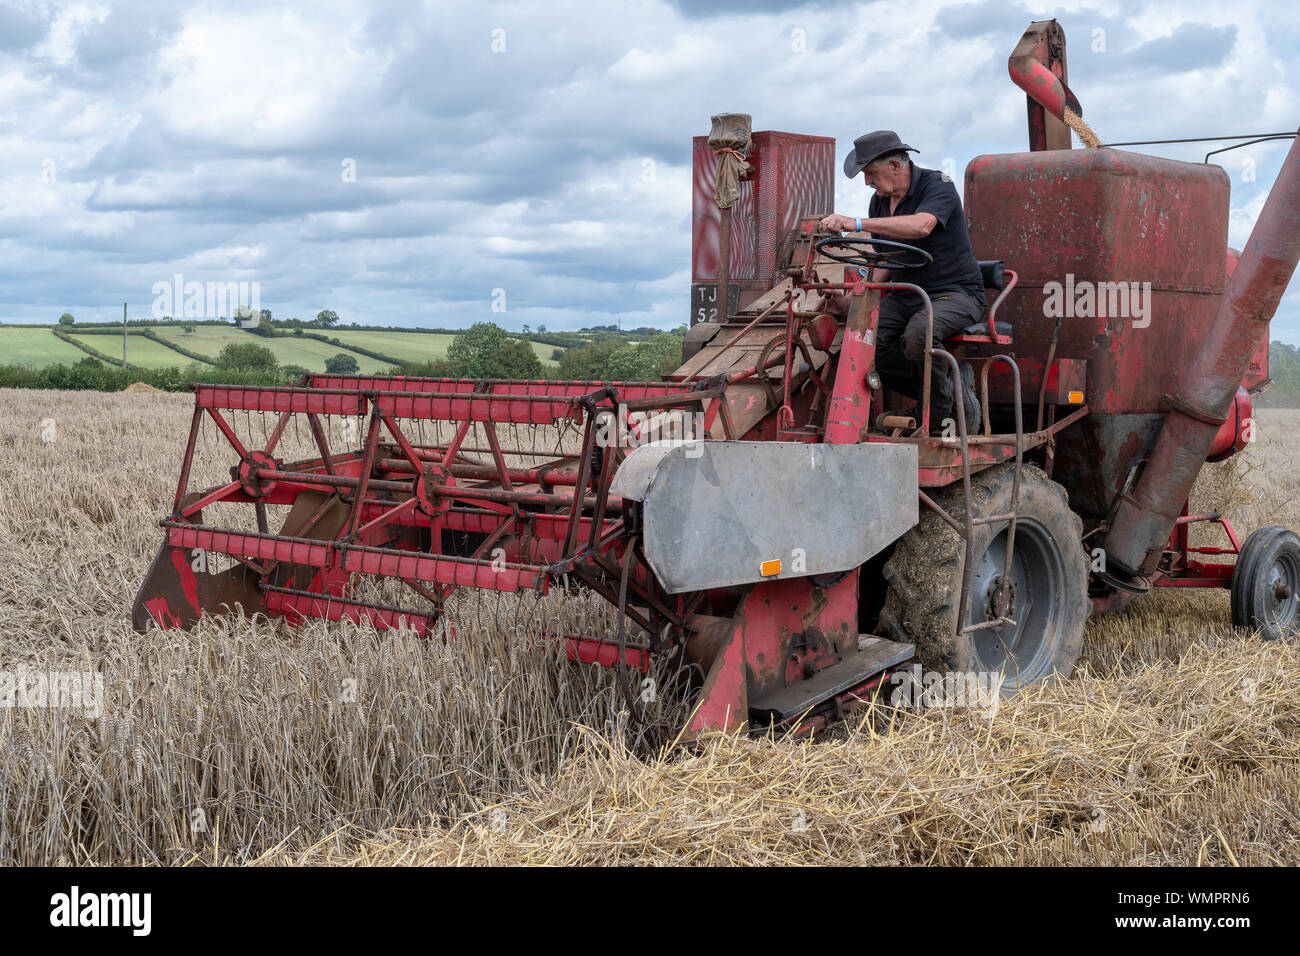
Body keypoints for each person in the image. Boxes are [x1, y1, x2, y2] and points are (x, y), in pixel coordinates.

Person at [819, 130, 984, 431]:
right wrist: (853, 302)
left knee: (918, 334)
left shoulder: (938, 186)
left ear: (895, 166)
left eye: (870, 173)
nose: (868, 182)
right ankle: (947, 386)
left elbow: (922, 226)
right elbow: (884, 261)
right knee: (864, 339)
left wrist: (855, 224)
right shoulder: (879, 202)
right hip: (908, 293)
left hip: (955, 294)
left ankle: (935, 420)